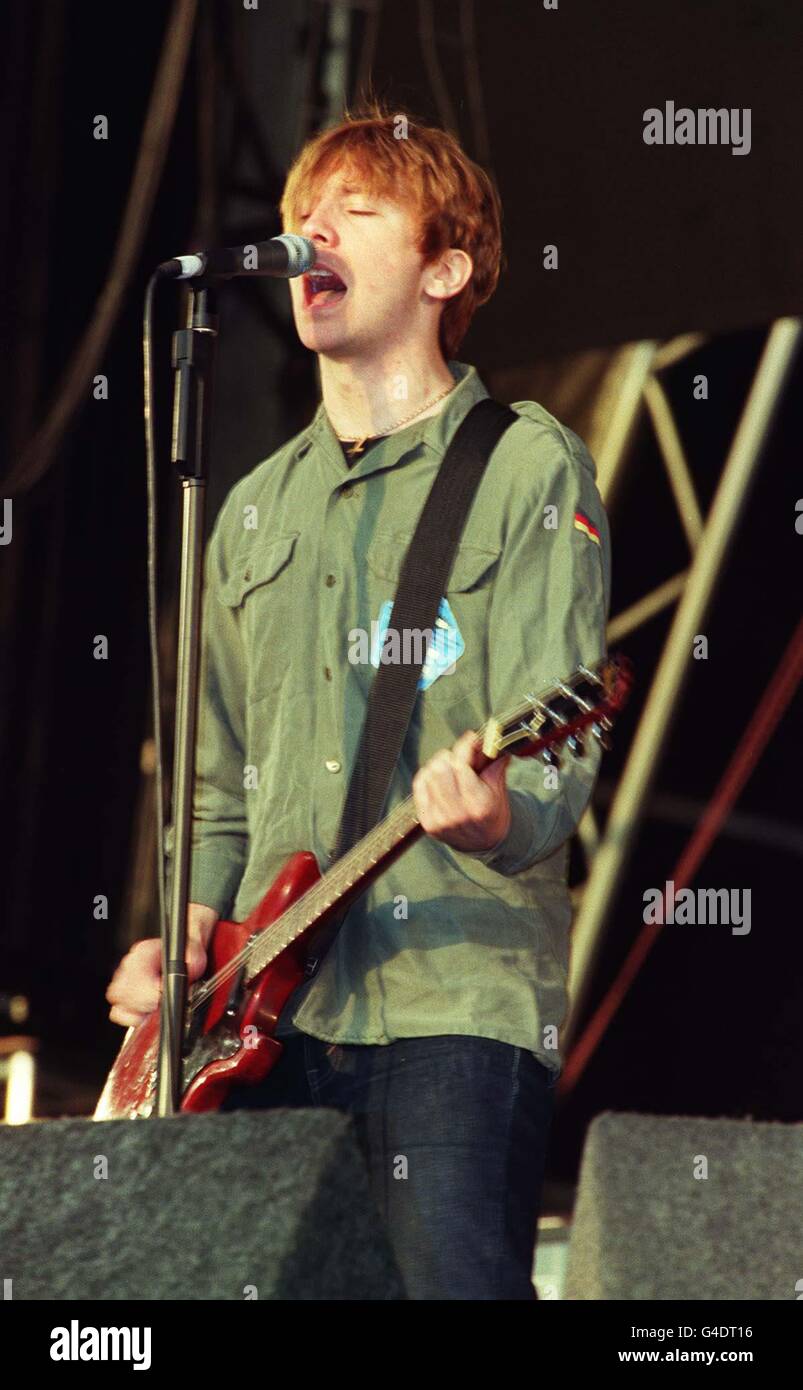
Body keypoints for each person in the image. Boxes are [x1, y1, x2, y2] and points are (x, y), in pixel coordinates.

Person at [106, 103, 611, 1300]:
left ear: (443, 269)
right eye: (299, 214)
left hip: (449, 1005)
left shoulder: (522, 464)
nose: (311, 231)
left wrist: (494, 812)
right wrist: (189, 934)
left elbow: (554, 758)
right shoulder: (249, 512)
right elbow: (220, 784)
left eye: (356, 212)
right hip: (252, 1025)